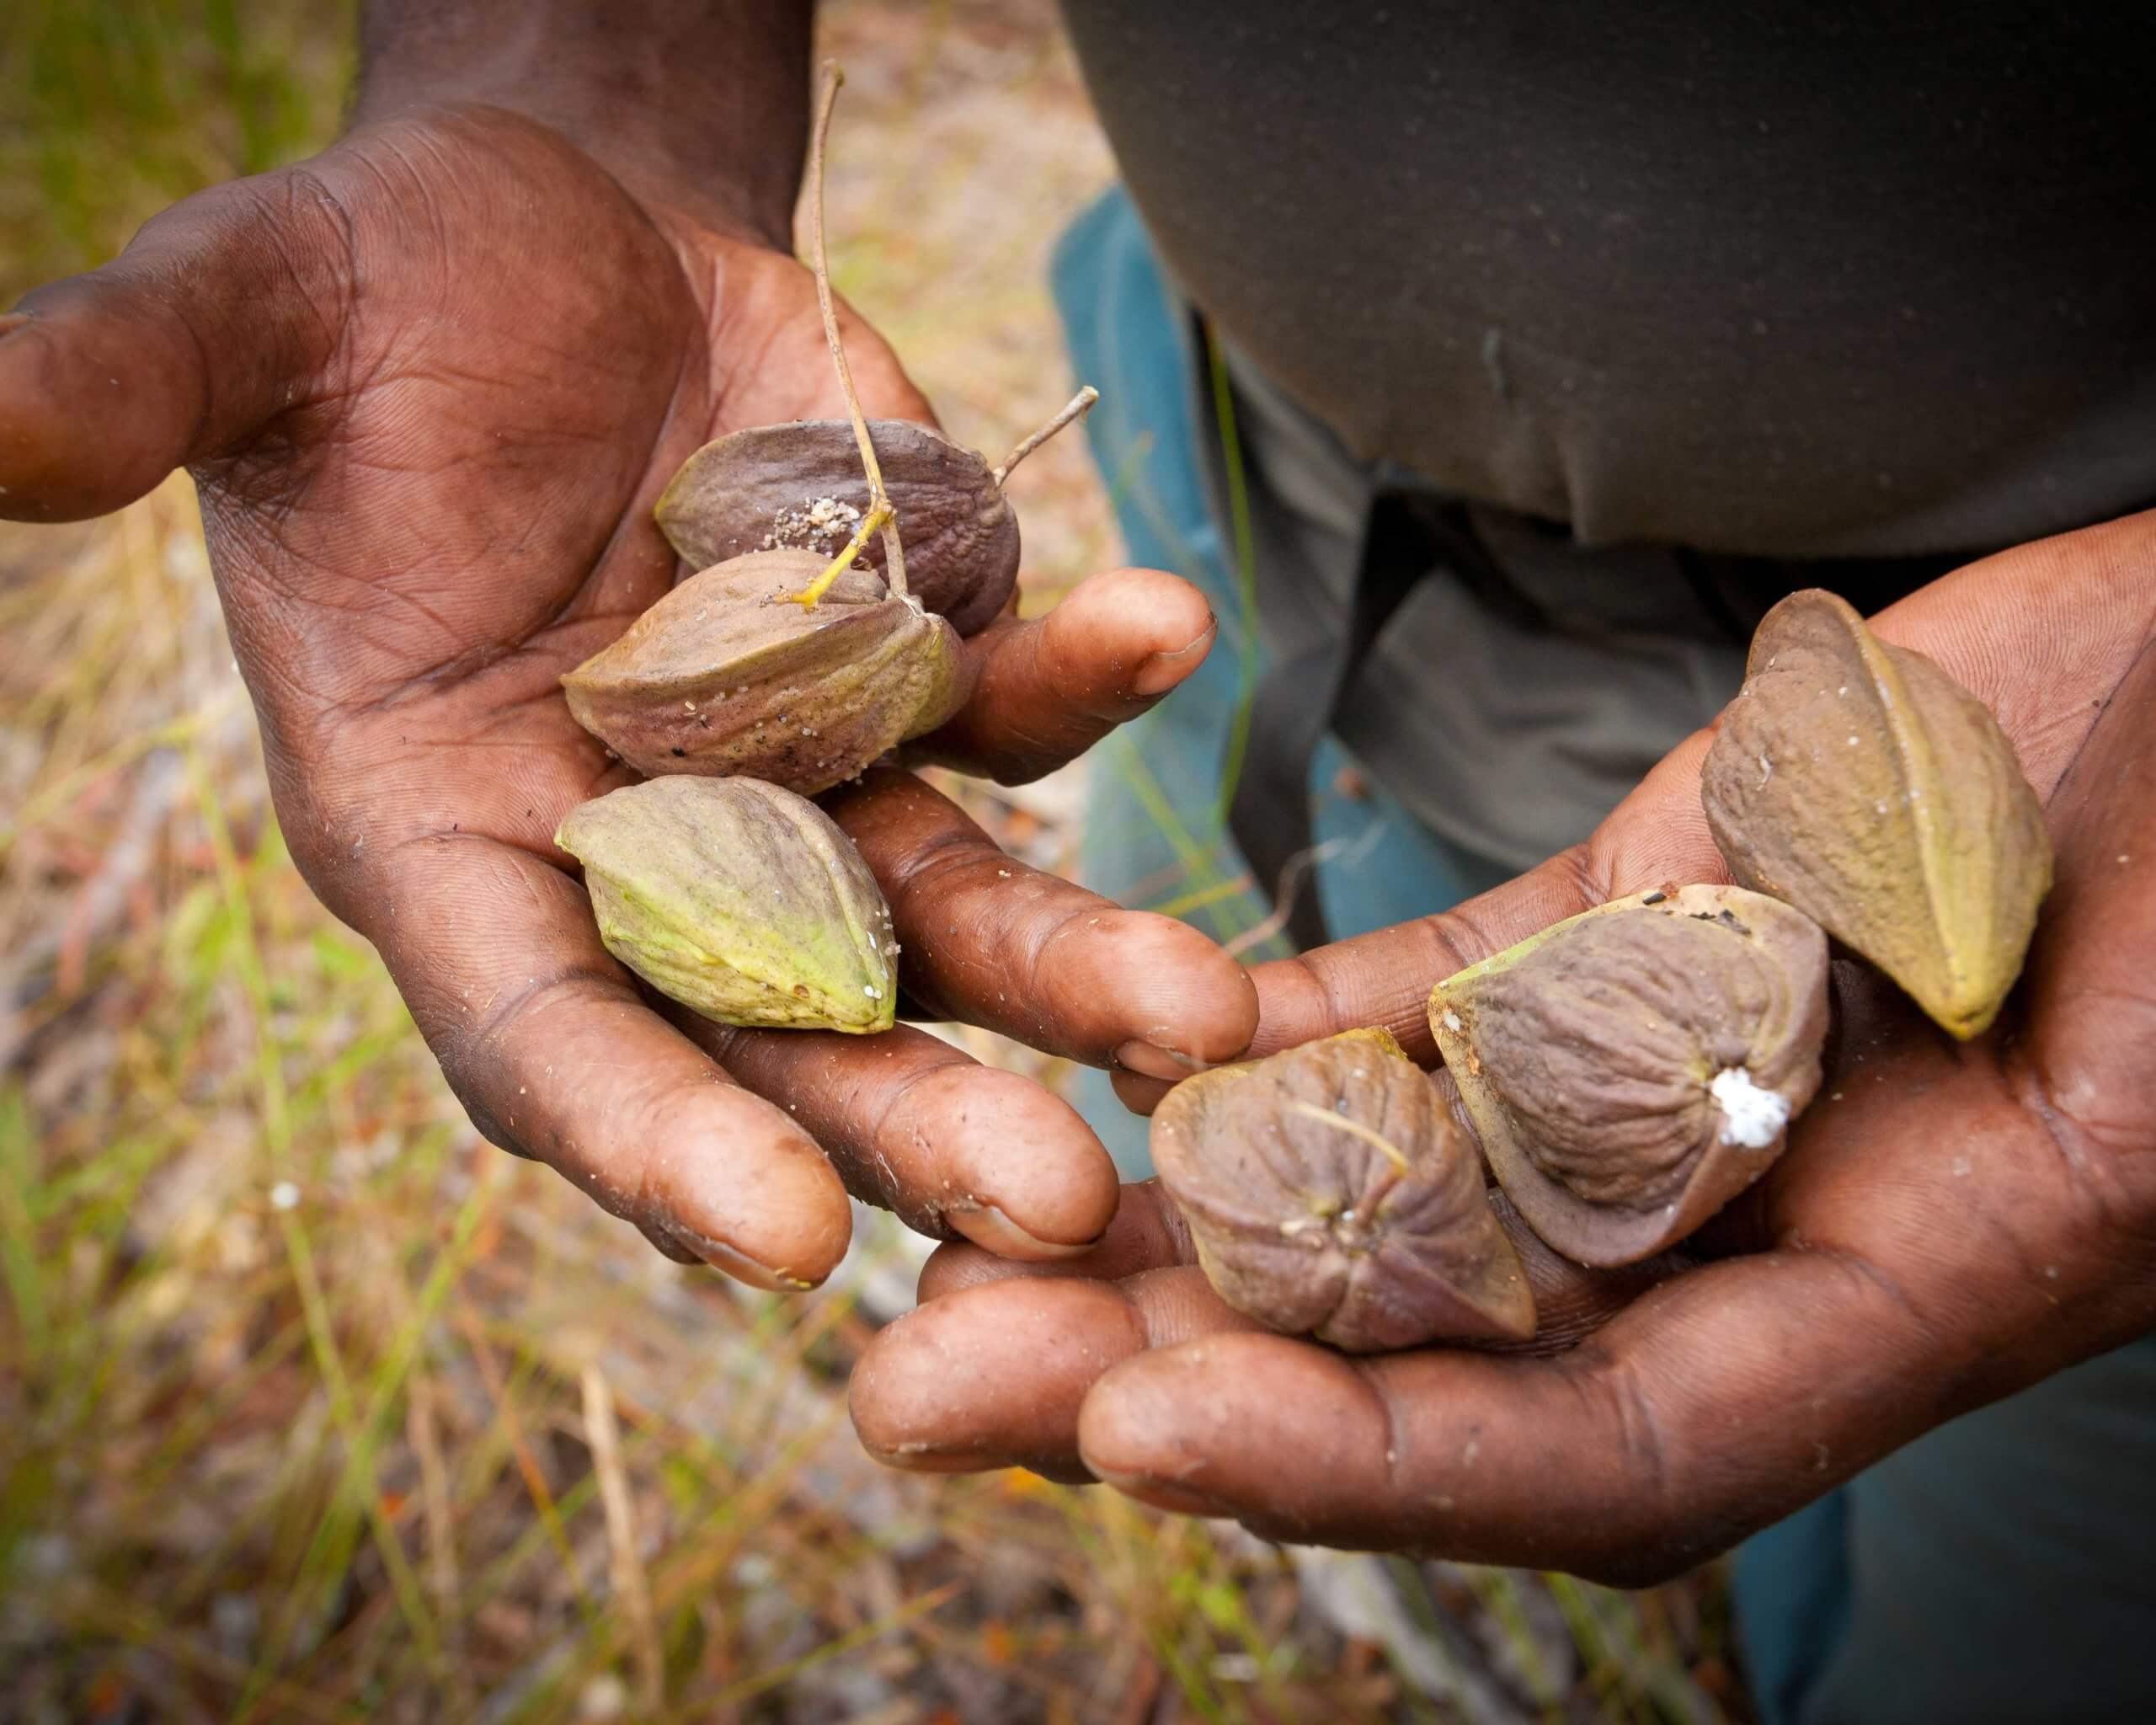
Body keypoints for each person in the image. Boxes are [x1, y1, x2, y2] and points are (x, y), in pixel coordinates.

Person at [3, 5, 2150, 1719]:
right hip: (1252, 444)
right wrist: (577, 82)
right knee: (1187, 1002)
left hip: (2079, 719)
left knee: (1999, 1595)